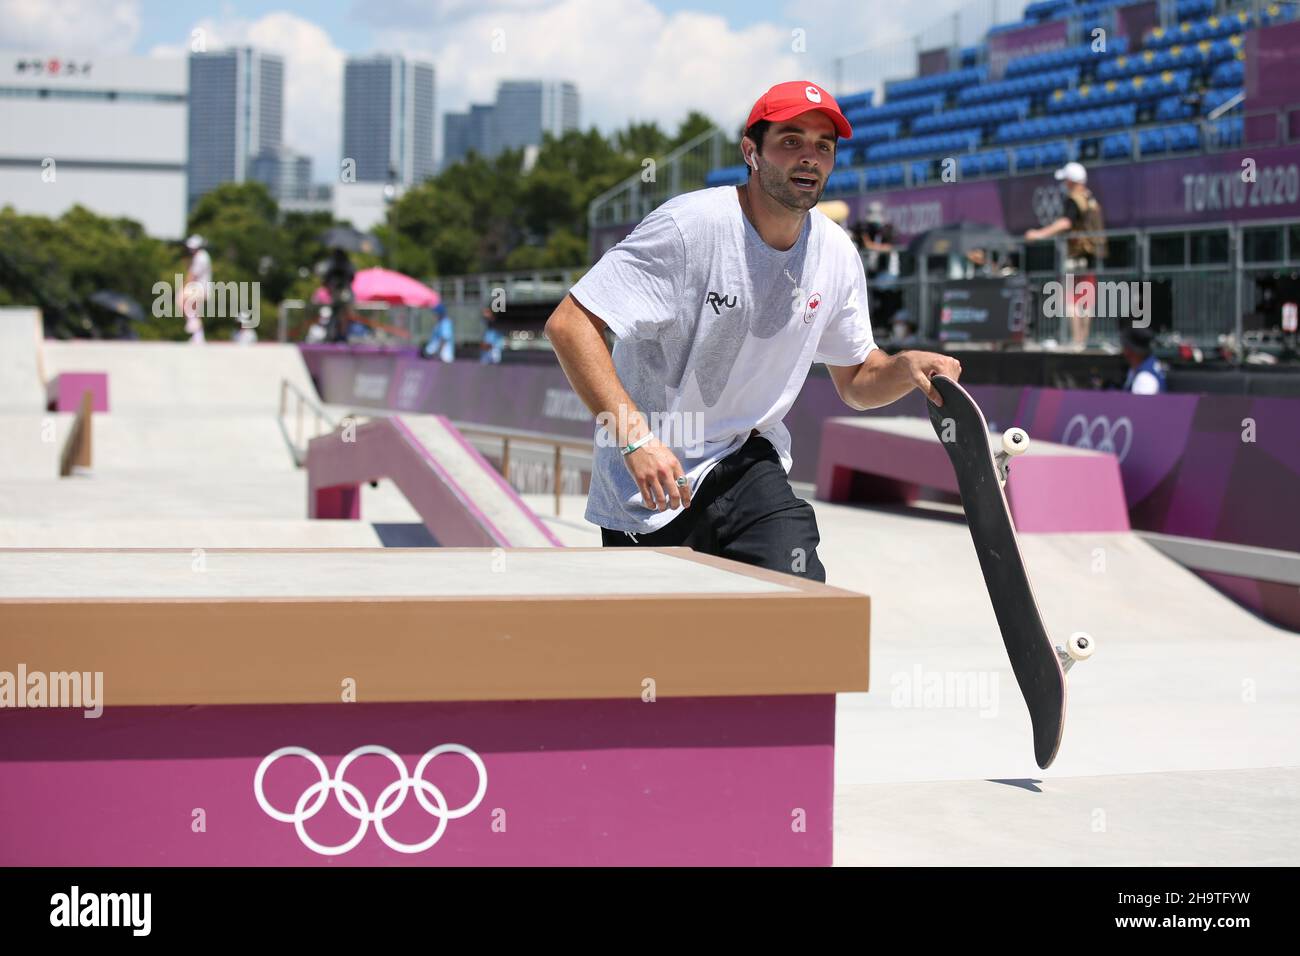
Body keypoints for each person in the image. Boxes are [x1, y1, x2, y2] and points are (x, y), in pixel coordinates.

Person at [545, 79, 961, 582]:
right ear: (751, 152)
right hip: (654, 477)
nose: (809, 157)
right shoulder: (690, 227)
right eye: (791, 141)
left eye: (822, 147)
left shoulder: (835, 252)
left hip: (748, 460)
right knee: (662, 656)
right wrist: (635, 441)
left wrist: (903, 367)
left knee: (799, 598)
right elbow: (570, 324)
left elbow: (856, 382)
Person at [1025, 161, 1106, 350]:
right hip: (1091, 256)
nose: (1064, 184)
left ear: (1071, 181)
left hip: (1077, 255)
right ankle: (1082, 342)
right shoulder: (1091, 199)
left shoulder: (1074, 199)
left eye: (1066, 180)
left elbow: (1065, 223)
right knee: (1086, 302)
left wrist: (1038, 234)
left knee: (1072, 301)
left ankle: (1077, 343)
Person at [180, 234, 211, 344]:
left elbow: (192, 275)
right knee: (193, 311)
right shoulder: (203, 256)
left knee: (182, 301)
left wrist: (184, 287)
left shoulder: (200, 257)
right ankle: (198, 336)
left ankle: (193, 326)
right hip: (201, 288)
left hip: (199, 289)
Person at [321, 247, 356, 343]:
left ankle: (336, 335)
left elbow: (325, 280)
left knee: (339, 314)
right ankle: (340, 335)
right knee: (341, 314)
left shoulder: (333, 264)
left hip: (339, 292)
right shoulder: (346, 265)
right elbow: (352, 277)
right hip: (340, 292)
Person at [1122, 327, 1167, 394]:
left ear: (1131, 351)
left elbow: (1140, 404)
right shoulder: (1149, 363)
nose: (1124, 352)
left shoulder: (1144, 379)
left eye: (1126, 348)